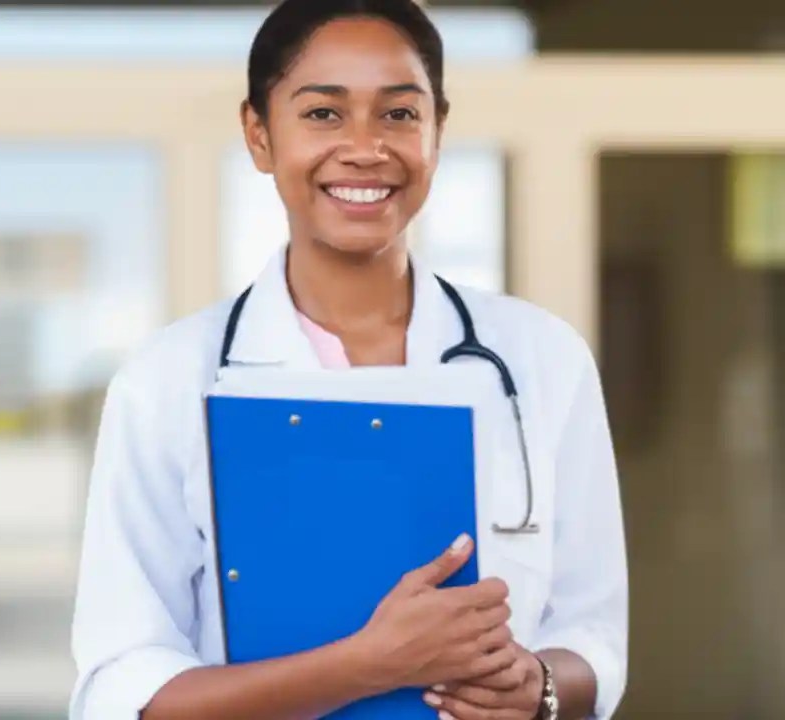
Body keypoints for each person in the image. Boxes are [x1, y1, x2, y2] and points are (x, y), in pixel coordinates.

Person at [68, 1, 628, 718]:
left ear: (437, 131)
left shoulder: (541, 357)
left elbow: (592, 633)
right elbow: (122, 690)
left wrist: (538, 688)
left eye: (398, 114)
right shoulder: (169, 379)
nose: (365, 147)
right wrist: (367, 665)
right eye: (323, 114)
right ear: (259, 134)